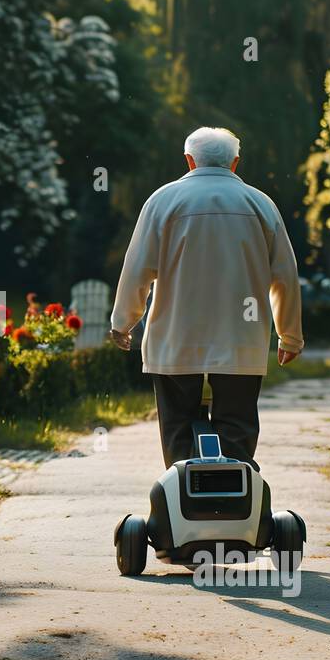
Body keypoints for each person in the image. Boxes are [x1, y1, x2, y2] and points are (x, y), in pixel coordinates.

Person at [109, 127, 303, 470]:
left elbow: (138, 269)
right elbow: (284, 277)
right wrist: (289, 335)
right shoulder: (260, 204)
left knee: (177, 431)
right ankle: (237, 503)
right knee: (237, 430)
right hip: (240, 340)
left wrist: (122, 323)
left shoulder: (162, 201)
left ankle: (181, 504)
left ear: (188, 160)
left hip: (175, 338)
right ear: (235, 162)